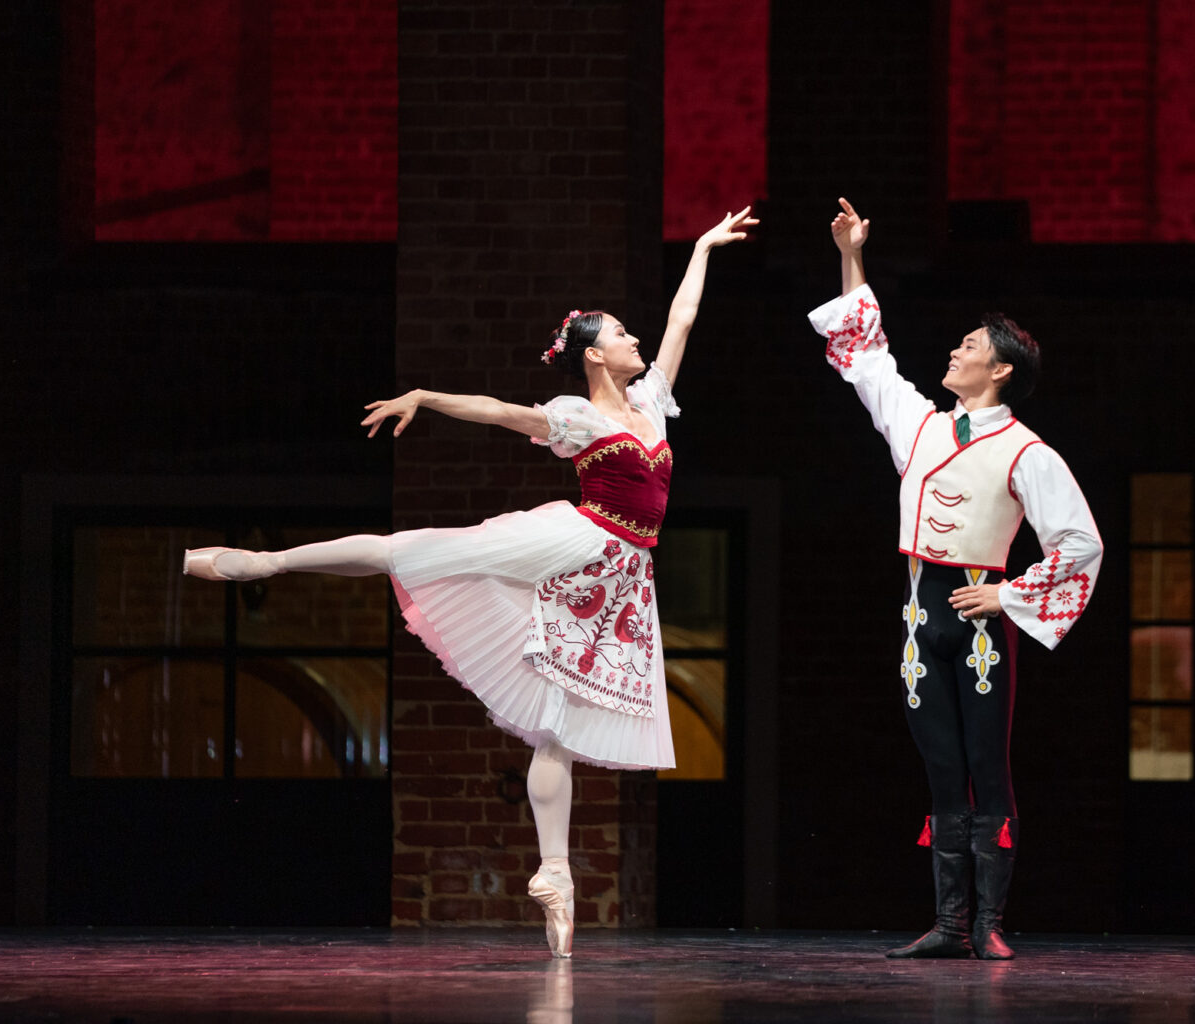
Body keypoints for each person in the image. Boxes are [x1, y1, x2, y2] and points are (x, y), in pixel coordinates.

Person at [182, 207, 758, 958]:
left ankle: (555, 872)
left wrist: (705, 248)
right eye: (620, 334)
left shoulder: (651, 404)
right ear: (593, 356)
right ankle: (269, 563)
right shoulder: (578, 418)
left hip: (622, 576)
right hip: (579, 538)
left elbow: (682, 321)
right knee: (422, 550)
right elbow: (501, 413)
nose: (636, 340)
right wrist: (425, 396)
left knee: (560, 724)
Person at [808, 198, 1101, 960]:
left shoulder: (1026, 451)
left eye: (969, 345)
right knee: (941, 770)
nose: (955, 351)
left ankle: (988, 924)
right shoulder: (922, 425)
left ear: (999, 368)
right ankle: (946, 922)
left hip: (977, 623)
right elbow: (867, 358)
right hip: (918, 621)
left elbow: (1079, 542)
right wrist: (852, 254)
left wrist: (1007, 594)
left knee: (985, 769)